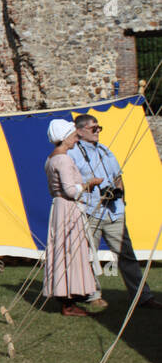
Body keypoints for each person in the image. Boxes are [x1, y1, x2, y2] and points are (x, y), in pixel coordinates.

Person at [70, 114, 162, 311]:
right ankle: (93, 295)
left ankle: (142, 296)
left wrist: (121, 197)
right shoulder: (73, 154)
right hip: (90, 211)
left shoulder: (105, 150)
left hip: (114, 211)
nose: (97, 131)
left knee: (127, 255)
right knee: (89, 256)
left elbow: (118, 176)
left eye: (98, 128)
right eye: (93, 128)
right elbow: (72, 185)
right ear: (79, 131)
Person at [43, 119, 101, 316]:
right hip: (68, 208)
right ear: (65, 137)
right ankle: (68, 302)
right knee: (70, 252)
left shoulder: (50, 159)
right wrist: (88, 184)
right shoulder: (64, 159)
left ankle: (68, 297)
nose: (76, 140)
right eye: (74, 136)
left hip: (59, 208)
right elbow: (69, 191)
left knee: (64, 251)